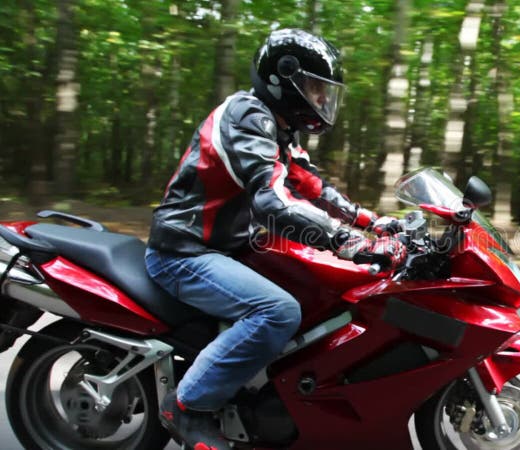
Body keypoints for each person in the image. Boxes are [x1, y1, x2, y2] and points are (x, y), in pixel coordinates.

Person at [145, 28, 406, 450]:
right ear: (284, 79)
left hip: (227, 245)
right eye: (314, 89)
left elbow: (310, 184)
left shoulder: (278, 128)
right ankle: (188, 407)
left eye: (324, 92)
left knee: (318, 289)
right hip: (186, 251)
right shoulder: (249, 118)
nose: (321, 100)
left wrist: (374, 223)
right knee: (278, 312)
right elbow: (275, 202)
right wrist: (347, 242)